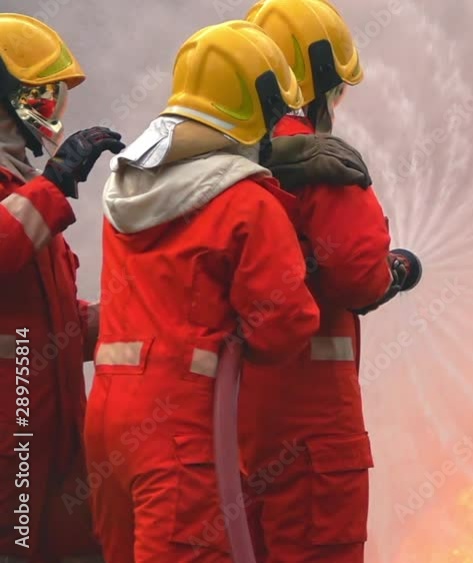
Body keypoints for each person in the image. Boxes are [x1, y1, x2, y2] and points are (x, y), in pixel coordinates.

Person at [84, 20, 321, 562]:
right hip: (179, 430)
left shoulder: (123, 187)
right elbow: (285, 324)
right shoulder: (247, 202)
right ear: (259, 106)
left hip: (106, 421)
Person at [238, 1, 421, 561]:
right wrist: (395, 272)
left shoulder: (221, 160)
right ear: (317, 83)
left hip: (239, 420)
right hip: (313, 430)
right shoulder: (323, 161)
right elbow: (358, 275)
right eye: (337, 90)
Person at [0, 12, 125, 563]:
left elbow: (51, 319)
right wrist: (52, 186)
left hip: (50, 439)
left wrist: (134, 317)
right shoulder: (32, 196)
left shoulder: (21, 187)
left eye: (54, 98)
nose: (49, 112)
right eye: (38, 97)